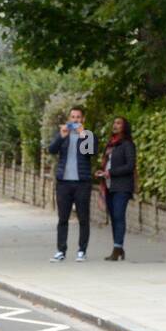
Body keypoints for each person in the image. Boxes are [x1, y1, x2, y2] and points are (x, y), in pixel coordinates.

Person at [47, 106, 99, 262]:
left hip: (82, 183)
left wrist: (83, 135)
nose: (75, 120)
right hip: (64, 183)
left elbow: (92, 153)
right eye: (73, 117)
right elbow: (51, 150)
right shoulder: (64, 135)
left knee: (83, 218)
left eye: (78, 117)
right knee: (63, 218)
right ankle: (60, 250)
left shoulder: (88, 135)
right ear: (69, 119)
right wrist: (61, 137)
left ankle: (82, 250)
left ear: (83, 119)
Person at [95, 116, 136, 261]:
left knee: (119, 215)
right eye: (114, 123)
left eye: (119, 123)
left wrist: (110, 172)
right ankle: (118, 247)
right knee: (113, 217)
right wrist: (101, 172)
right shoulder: (110, 145)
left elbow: (130, 166)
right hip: (109, 185)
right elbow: (107, 163)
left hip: (122, 186)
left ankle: (117, 248)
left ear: (124, 127)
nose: (115, 125)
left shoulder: (128, 144)